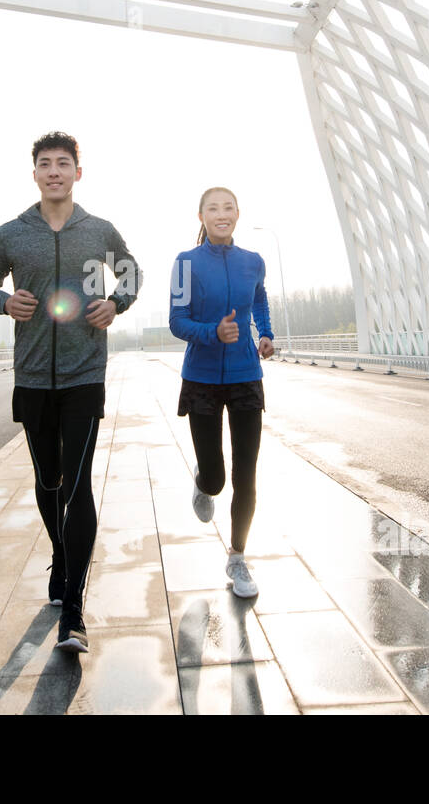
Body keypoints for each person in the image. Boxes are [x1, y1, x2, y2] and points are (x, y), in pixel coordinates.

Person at [0, 132, 141, 653]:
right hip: (32, 377)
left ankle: (73, 609)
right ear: (35, 174)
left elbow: (132, 274)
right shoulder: (12, 234)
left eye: (63, 164)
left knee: (77, 487)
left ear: (77, 173)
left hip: (85, 373)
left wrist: (117, 304)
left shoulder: (99, 230)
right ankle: (61, 554)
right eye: (44, 164)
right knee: (49, 481)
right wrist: (4, 303)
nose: (54, 172)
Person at [168, 187, 274, 598]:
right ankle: (203, 483)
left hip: (247, 375)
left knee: (246, 472)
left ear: (237, 214)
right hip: (202, 379)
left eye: (228, 207)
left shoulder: (253, 262)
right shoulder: (185, 264)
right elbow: (178, 322)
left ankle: (238, 557)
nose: (221, 214)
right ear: (202, 216)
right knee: (216, 477)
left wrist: (264, 333)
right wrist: (213, 333)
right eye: (213, 208)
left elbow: (260, 298)